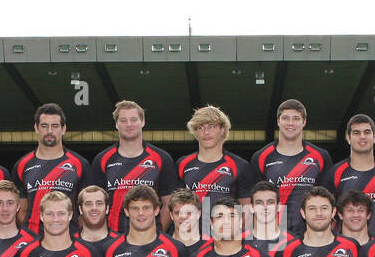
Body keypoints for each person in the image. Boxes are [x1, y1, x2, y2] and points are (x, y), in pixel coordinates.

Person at [90, 100, 178, 234]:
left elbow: (168, 204)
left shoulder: (161, 158)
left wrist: (157, 234)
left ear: (142, 122)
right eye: (123, 120)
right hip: (113, 237)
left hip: (149, 238)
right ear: (116, 124)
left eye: (133, 119)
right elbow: (94, 203)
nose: (129, 124)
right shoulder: (102, 159)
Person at [251, 99, 333, 237]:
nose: (290, 123)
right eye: (285, 118)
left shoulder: (320, 156)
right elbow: (254, 201)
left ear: (304, 122)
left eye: (296, 118)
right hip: (274, 235)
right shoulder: (261, 157)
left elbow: (328, 199)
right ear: (278, 121)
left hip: (311, 235)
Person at [13, 103, 89, 236]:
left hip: (69, 239)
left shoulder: (80, 164)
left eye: (55, 126)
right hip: (32, 239)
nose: (49, 131)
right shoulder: (22, 165)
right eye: (44, 126)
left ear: (63, 129)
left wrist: (75, 235)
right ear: (36, 128)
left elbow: (86, 209)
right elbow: (20, 210)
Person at [329, 114, 375, 240]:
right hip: (345, 246)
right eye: (356, 133)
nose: (362, 137)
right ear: (348, 138)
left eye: (367, 132)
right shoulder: (335, 173)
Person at [177, 105, 253, 205]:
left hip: (227, 216)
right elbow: (176, 206)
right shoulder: (183, 164)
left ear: (223, 129)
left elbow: (245, 207)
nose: (206, 132)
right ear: (195, 132)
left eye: (211, 126)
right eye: (200, 127)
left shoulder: (239, 165)